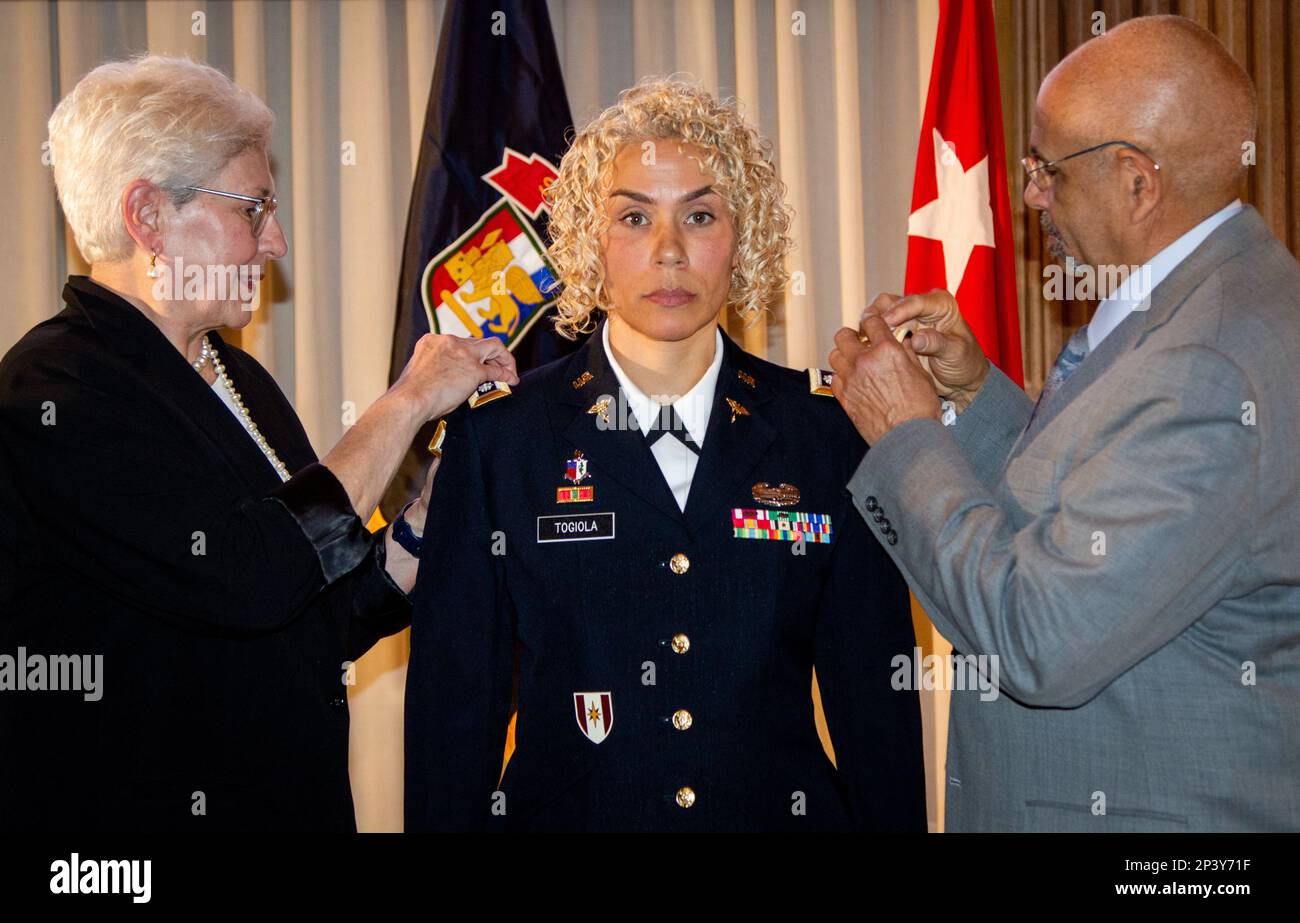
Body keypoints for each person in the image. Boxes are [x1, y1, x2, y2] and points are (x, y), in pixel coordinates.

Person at [0, 55, 517, 831]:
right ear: (147, 216)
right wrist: (407, 401)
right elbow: (251, 576)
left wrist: (426, 515)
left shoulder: (233, 376)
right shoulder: (57, 390)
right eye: (253, 207)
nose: (274, 242)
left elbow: (318, 608)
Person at [404, 78, 925, 832]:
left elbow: (876, 711)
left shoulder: (825, 432)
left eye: (701, 216)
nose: (670, 251)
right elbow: (454, 721)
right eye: (635, 217)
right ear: (588, 239)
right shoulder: (502, 439)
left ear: (742, 238)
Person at [829, 15, 1300, 831]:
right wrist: (975, 395)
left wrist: (907, 435)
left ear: (1137, 181)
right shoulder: (1206, 300)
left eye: (1048, 169)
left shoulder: (1210, 365)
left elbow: (1035, 634)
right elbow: (1085, 512)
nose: (1030, 194)